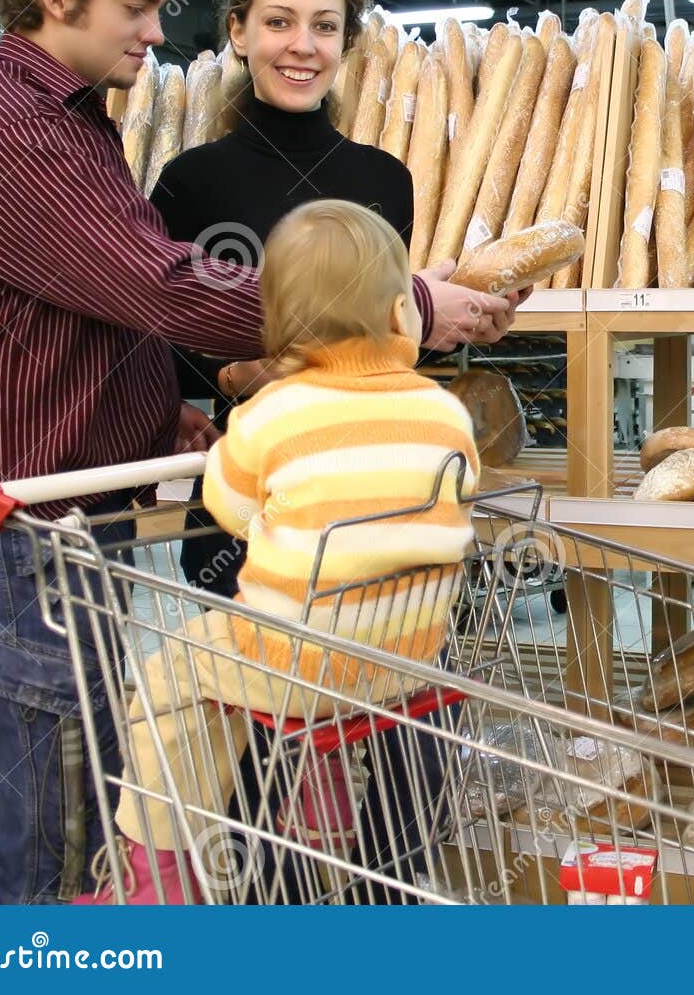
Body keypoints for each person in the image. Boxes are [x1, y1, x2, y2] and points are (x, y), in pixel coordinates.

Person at [0, 0, 517, 905]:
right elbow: (155, 285)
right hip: (12, 515)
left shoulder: (70, 119)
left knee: (84, 777)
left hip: (57, 503)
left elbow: (92, 304)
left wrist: (151, 413)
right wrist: (398, 301)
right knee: (49, 802)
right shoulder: (22, 131)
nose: (154, 29)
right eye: (135, 6)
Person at [147, 0, 468, 894]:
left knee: (409, 726)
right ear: (238, 33)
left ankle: (382, 896)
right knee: (259, 733)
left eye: (324, 26)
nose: (302, 45)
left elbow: (388, 335)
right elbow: (172, 343)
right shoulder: (188, 184)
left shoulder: (384, 178)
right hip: (262, 499)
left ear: (348, 42)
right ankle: (256, 902)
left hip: (381, 509)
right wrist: (202, 391)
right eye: (279, 22)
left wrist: (448, 331)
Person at [78, 200, 479, 904]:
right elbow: (457, 492)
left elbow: (228, 510)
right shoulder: (446, 410)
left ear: (276, 327)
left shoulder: (270, 413)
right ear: (399, 315)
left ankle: (154, 880)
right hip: (407, 656)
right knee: (242, 681)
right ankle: (318, 803)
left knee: (167, 686)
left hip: (296, 664)